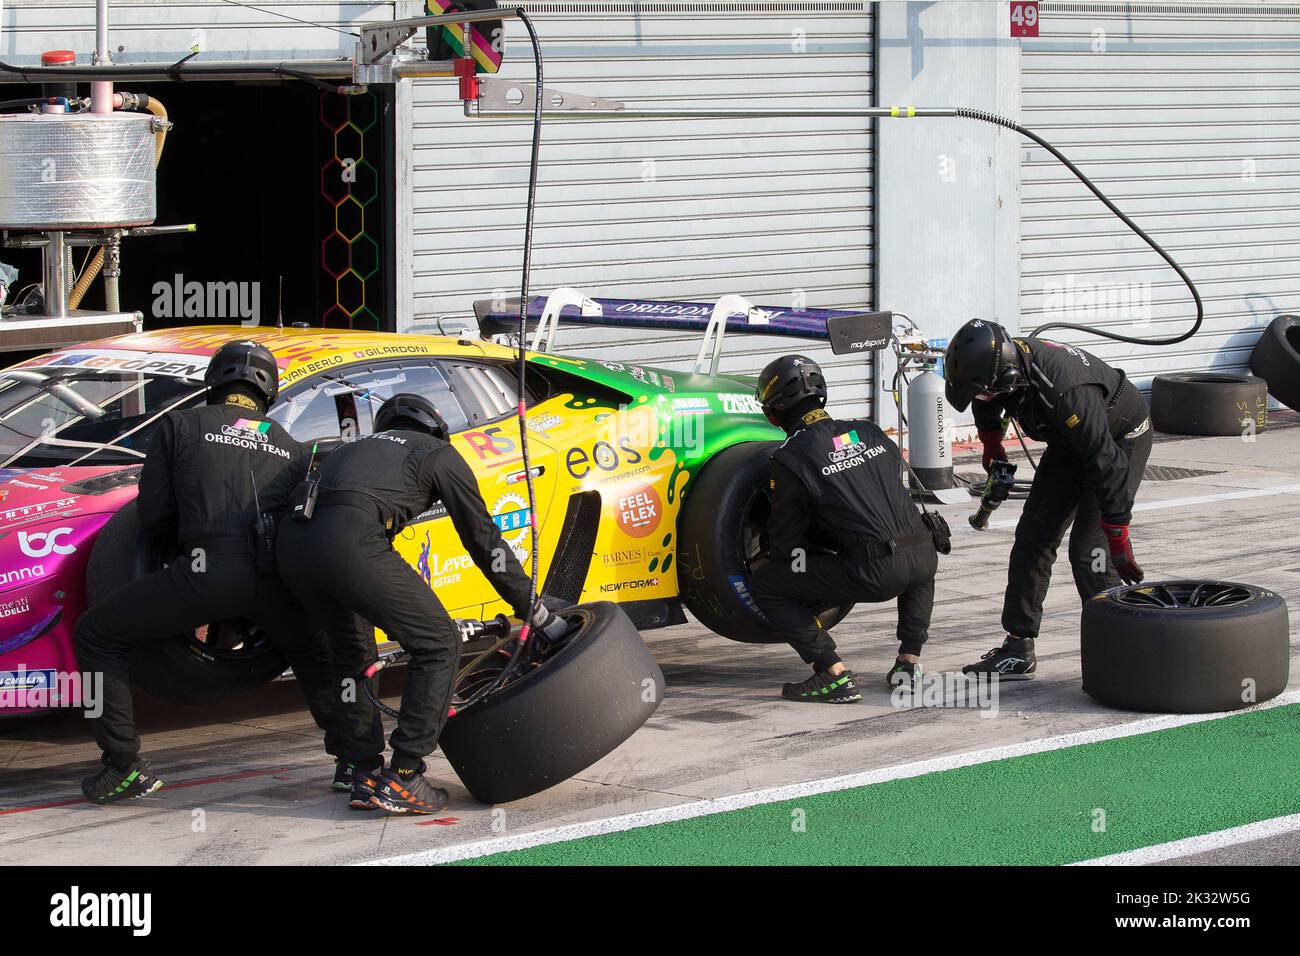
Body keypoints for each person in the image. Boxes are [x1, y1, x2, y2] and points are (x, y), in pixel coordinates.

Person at [75, 340, 340, 804]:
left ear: (214, 382)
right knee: (315, 655)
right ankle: (358, 763)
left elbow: (154, 515)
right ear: (268, 392)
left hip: (206, 573)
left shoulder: (179, 424)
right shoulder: (296, 449)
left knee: (96, 634)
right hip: (279, 583)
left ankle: (123, 767)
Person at [276, 393, 565, 815]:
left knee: (351, 658)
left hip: (293, 548)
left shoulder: (348, 448)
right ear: (435, 428)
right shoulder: (437, 453)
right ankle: (405, 775)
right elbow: (485, 543)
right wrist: (532, 607)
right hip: (350, 540)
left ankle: (359, 768)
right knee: (438, 641)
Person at [942, 319, 1151, 679]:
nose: (982, 398)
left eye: (983, 392)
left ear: (1008, 379)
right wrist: (993, 448)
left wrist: (1118, 535)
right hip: (1069, 440)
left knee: (1090, 553)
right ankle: (1018, 648)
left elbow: (1107, 462)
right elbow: (987, 403)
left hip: (1118, 441)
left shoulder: (1066, 393)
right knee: (1033, 538)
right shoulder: (998, 368)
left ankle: (1125, 655)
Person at [748, 355, 940, 703]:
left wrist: (803, 562)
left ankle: (831, 673)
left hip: (873, 572)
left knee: (767, 584)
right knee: (916, 556)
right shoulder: (869, 431)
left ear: (773, 413)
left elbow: (787, 545)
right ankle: (908, 665)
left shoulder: (791, 458)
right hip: (925, 556)